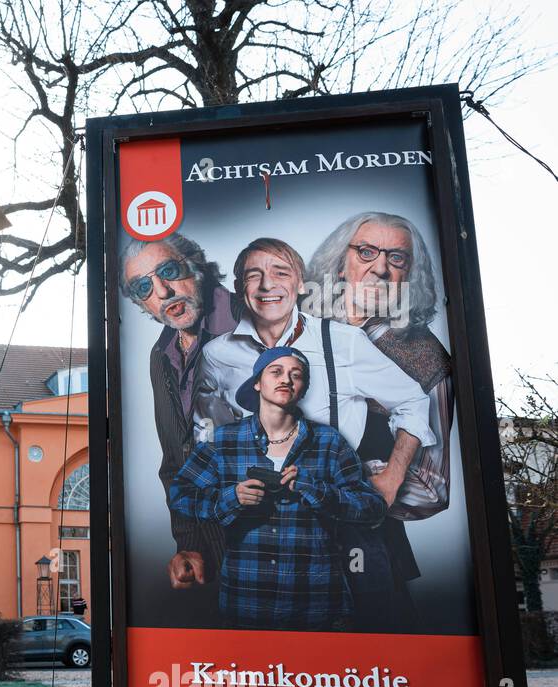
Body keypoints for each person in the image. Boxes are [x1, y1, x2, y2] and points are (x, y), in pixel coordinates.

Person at [195, 237, 435, 630]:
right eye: (253, 276)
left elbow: (413, 400)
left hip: (343, 516)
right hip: (262, 523)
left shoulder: (343, 342)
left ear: (301, 284)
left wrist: (392, 477)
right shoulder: (218, 355)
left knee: (373, 639)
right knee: (271, 645)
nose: (266, 285)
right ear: (240, 288)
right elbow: (213, 431)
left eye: (280, 273)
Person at [169, 347, 386, 630]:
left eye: (296, 375)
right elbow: (180, 494)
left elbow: (372, 508)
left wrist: (315, 490)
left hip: (318, 605)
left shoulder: (328, 442)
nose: (287, 379)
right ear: (257, 383)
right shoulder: (224, 440)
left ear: (303, 389)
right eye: (276, 371)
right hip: (246, 602)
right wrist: (230, 498)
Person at [306, 211, 453, 521]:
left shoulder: (428, 359)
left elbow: (432, 488)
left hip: (366, 540)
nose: (381, 269)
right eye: (367, 252)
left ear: (411, 273)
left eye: (397, 258)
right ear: (341, 264)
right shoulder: (299, 329)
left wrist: (364, 474)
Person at [121, 232, 236, 595]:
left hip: (295, 551)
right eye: (143, 287)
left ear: (196, 266)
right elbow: (177, 460)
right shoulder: (163, 354)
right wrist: (189, 545)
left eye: (168, 271)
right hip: (221, 555)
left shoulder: (255, 314)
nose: (162, 292)